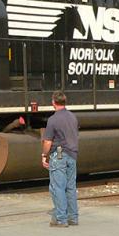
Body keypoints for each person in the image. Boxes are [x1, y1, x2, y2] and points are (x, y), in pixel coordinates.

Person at [41, 91, 79, 227]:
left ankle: (61, 218)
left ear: (53, 102)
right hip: (72, 155)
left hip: (59, 156)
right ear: (65, 102)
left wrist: (44, 156)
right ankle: (73, 218)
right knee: (70, 187)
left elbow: (47, 142)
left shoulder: (53, 120)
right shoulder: (73, 117)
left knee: (57, 187)